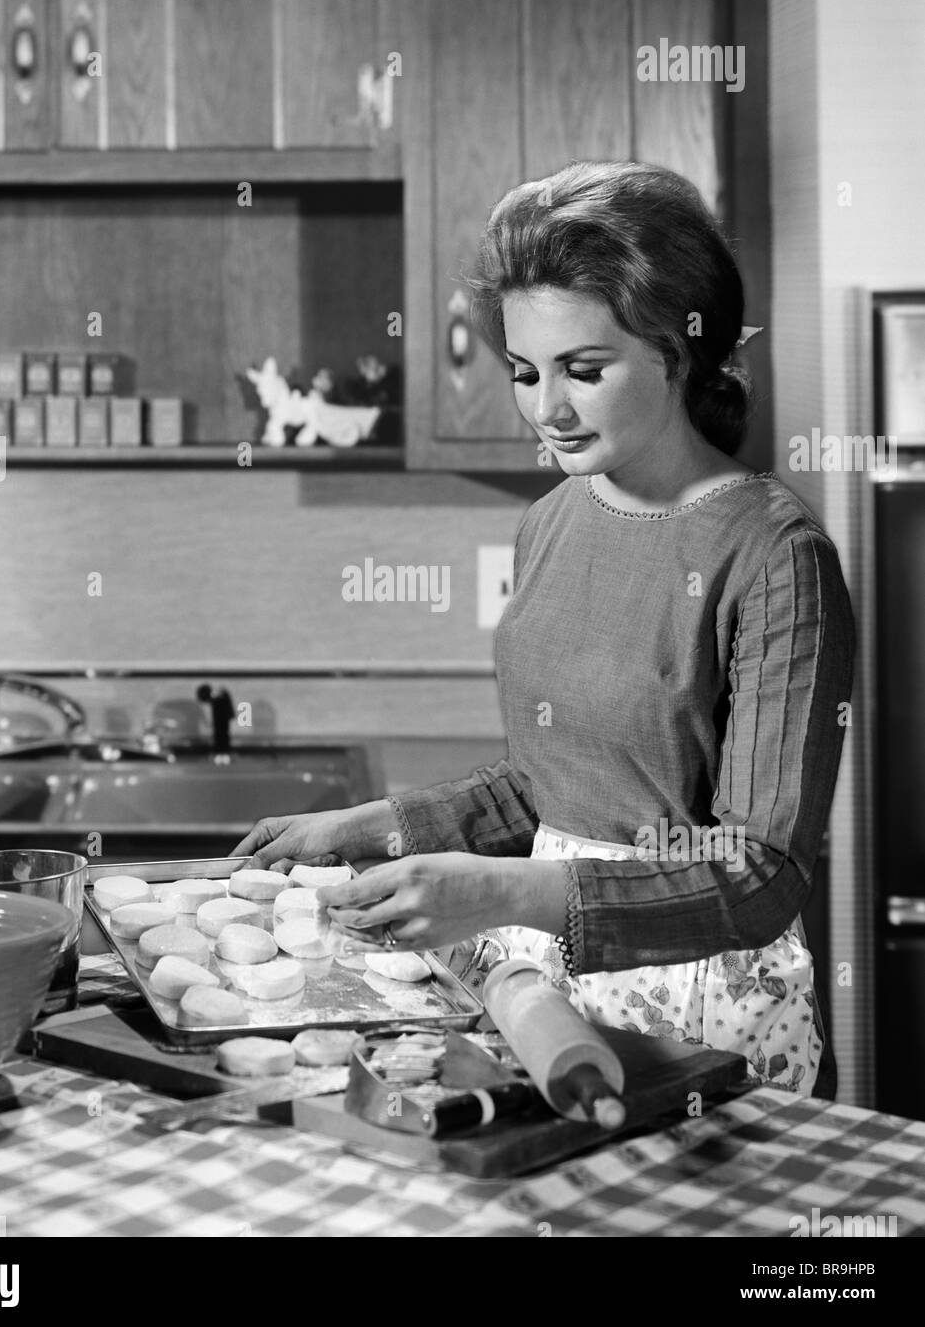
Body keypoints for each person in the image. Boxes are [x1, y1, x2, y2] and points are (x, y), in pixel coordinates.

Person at [230, 160, 855, 1098]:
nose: (545, 409)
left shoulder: (776, 557)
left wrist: (501, 891)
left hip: (707, 1017)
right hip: (548, 995)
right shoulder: (553, 519)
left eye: (584, 370)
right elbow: (545, 785)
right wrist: (376, 827)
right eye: (526, 372)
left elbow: (758, 877)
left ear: (679, 354)